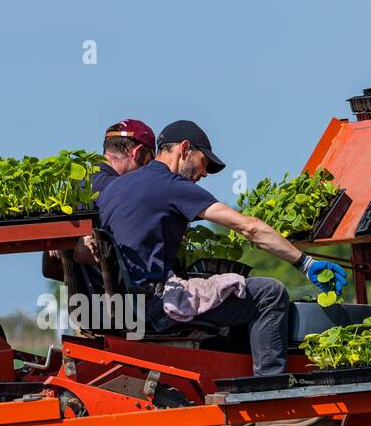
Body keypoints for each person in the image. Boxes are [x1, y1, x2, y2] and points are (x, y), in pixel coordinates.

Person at [97, 120, 346, 377]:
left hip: (128, 304)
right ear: (184, 149)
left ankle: (230, 378)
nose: (204, 173)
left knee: (230, 296)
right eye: (204, 162)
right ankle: (272, 389)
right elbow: (248, 228)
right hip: (156, 305)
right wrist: (304, 263)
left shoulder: (115, 187)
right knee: (268, 293)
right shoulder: (171, 186)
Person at [43, 118, 156, 280]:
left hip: (82, 303)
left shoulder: (71, 188)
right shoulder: (125, 192)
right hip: (121, 303)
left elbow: (49, 268)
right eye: (149, 162)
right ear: (136, 153)